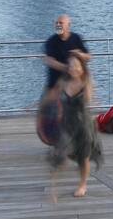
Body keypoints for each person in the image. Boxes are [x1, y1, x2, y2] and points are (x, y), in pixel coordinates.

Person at [47, 56, 103, 200]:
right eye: (71, 66)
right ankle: (54, 188)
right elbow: (54, 97)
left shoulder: (86, 82)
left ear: (82, 68)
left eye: (77, 66)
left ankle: (82, 185)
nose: (74, 68)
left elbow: (89, 99)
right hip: (66, 124)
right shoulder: (63, 82)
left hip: (83, 125)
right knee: (59, 154)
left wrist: (87, 81)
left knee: (83, 157)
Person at [42, 15, 91, 91]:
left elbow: (88, 57)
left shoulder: (76, 38)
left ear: (68, 25)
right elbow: (49, 61)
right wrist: (70, 68)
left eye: (61, 23)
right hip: (55, 86)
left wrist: (79, 54)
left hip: (74, 86)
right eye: (56, 23)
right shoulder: (51, 41)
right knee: (44, 102)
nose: (58, 25)